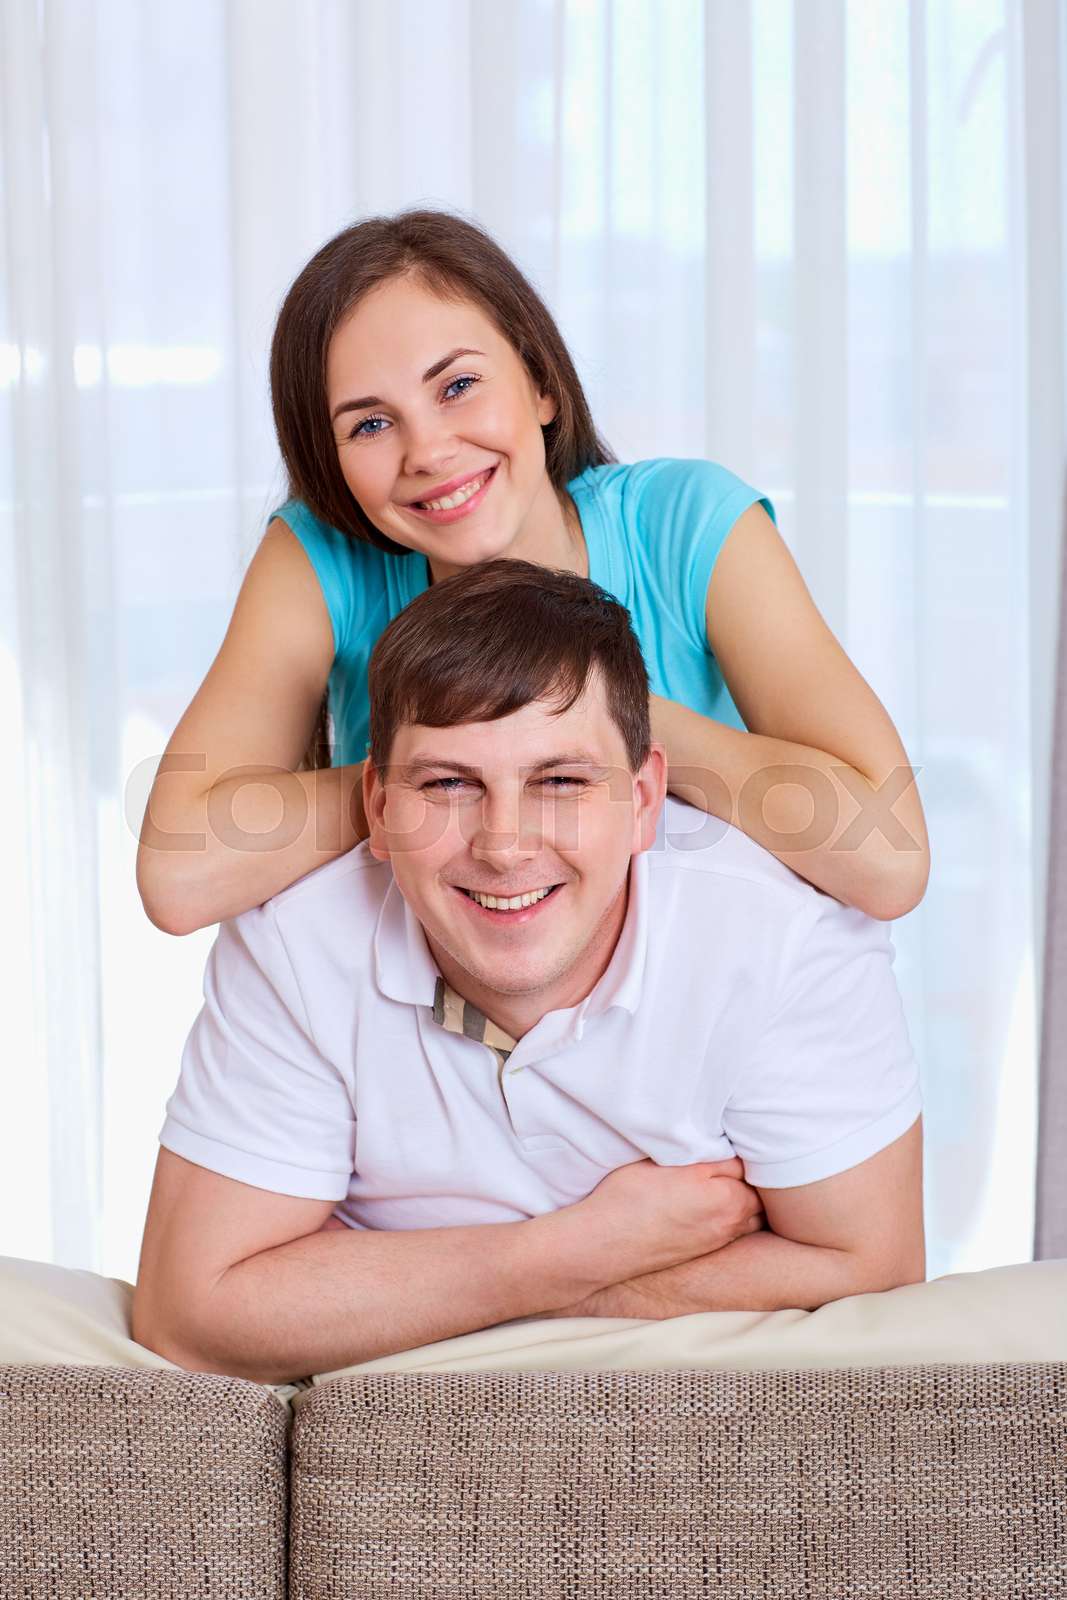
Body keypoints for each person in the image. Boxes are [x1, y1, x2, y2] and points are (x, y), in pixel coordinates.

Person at [131, 559, 924, 1386]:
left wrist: (389, 1287)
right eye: (447, 783)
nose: (504, 846)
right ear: (376, 805)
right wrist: (564, 1255)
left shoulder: (777, 936)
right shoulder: (295, 938)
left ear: (646, 799)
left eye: (559, 782)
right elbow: (190, 1316)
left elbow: (873, 1265)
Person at [135, 208, 930, 942]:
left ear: (540, 383)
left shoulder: (688, 524)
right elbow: (180, 877)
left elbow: (888, 861)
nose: (429, 452)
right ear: (331, 461)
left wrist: (595, 726)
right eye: (371, 423)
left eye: (458, 386)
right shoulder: (316, 557)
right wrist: (435, 784)